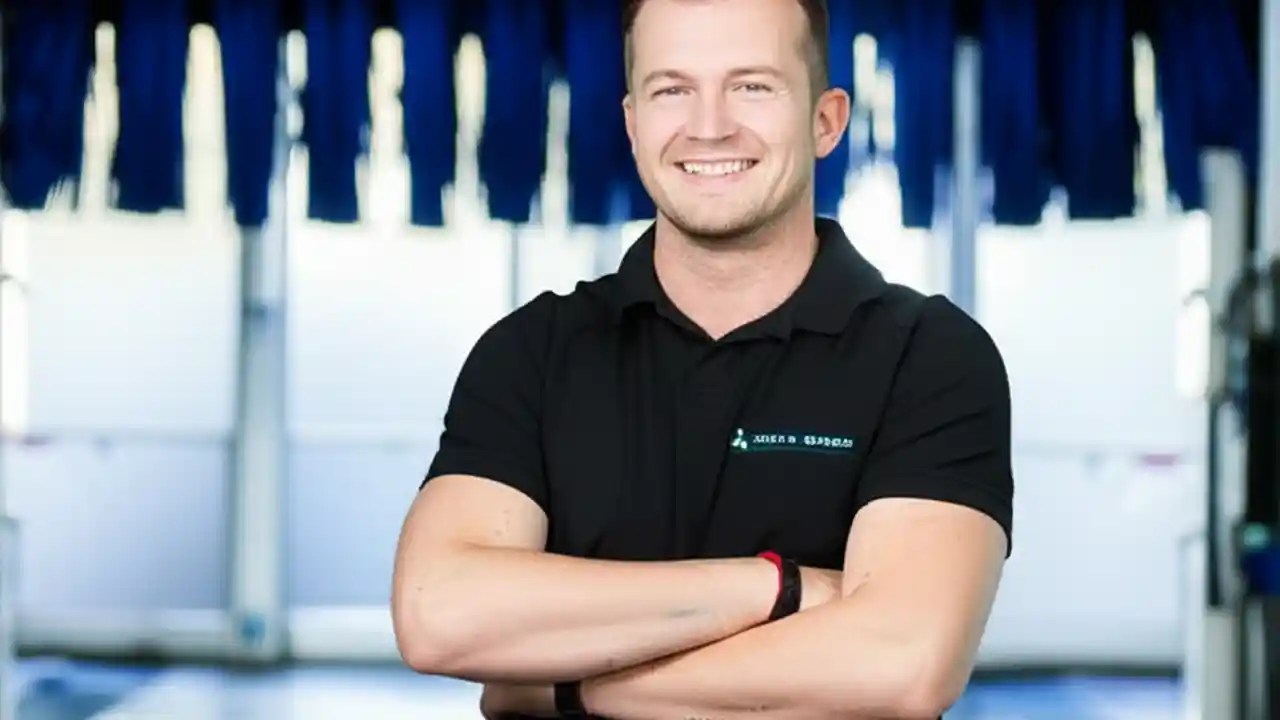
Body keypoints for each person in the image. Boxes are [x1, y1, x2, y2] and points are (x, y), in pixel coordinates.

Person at [391, 0, 1013, 717]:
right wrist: (777, 588)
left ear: (827, 120)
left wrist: (564, 685)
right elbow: (437, 614)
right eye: (672, 90)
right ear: (631, 123)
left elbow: (901, 662)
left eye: (752, 85)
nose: (709, 125)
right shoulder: (534, 350)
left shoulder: (930, 356)